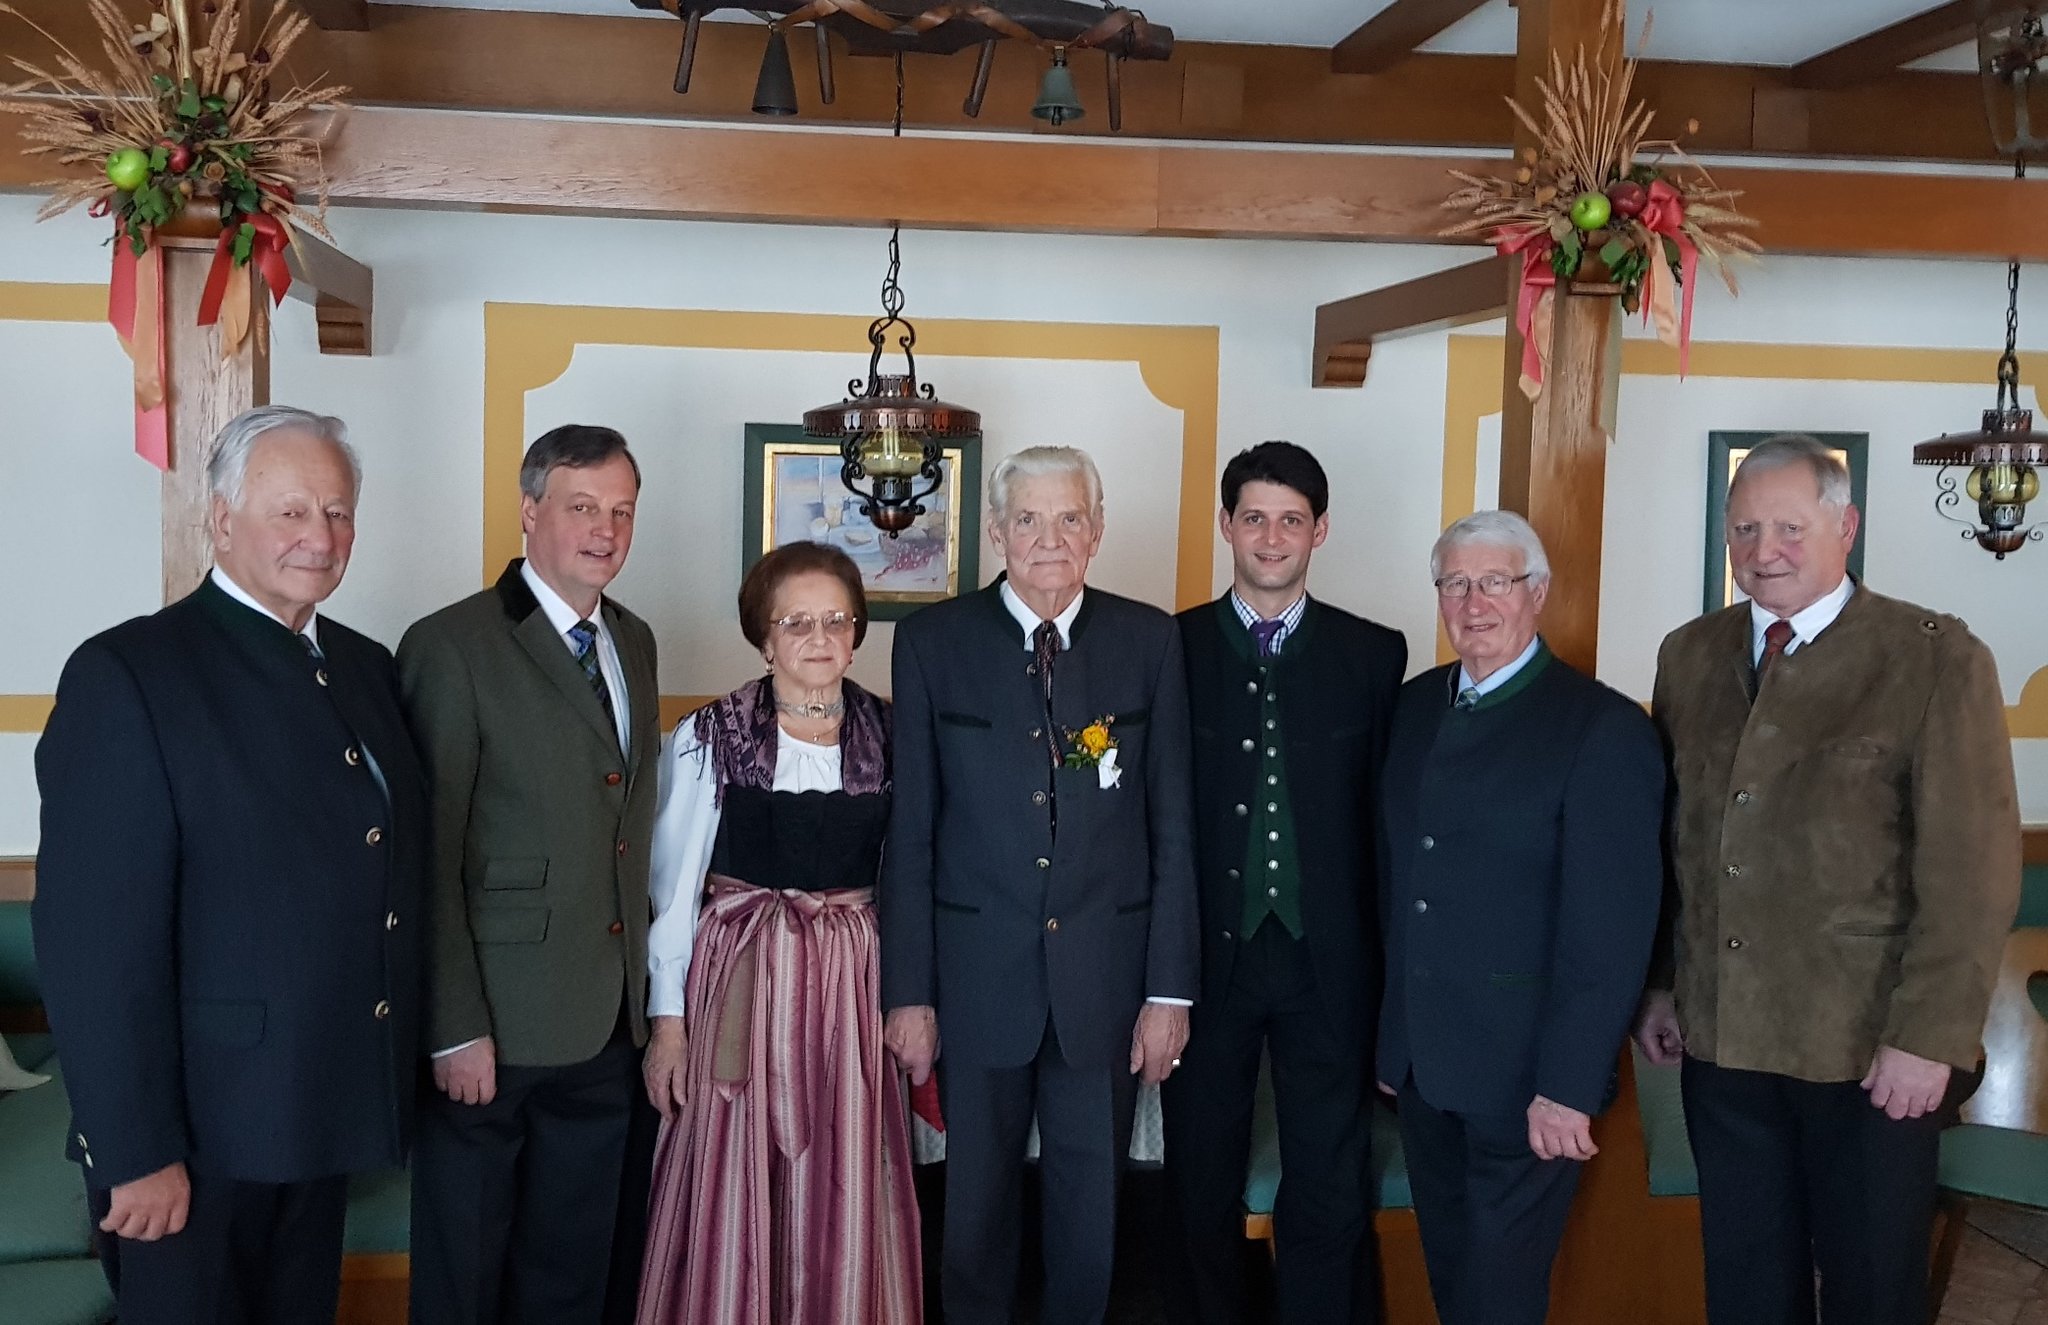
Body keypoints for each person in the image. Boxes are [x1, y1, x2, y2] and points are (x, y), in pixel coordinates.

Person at [33, 405, 427, 1325]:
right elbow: (94, 945)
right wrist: (134, 1149)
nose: (319, 536)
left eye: (336, 512)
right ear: (220, 519)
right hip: (193, 1140)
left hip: (318, 1110)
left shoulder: (362, 667)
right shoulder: (130, 673)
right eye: (290, 511)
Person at [1634, 434, 2020, 1325]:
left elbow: (1973, 870)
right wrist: (1660, 983)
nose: (1763, 550)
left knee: (1872, 1289)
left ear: (1846, 528)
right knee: (1745, 1288)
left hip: (1868, 1050)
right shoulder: (1689, 654)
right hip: (1723, 1041)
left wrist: (1929, 1036)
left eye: (1788, 528)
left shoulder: (1931, 657)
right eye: (1744, 529)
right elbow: (1673, 839)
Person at [881, 444, 1199, 1325]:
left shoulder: (1149, 640)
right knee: (974, 1214)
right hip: (975, 973)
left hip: (1106, 974)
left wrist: (1170, 991)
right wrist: (908, 992)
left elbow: (1172, 825)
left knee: (1090, 1214)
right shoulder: (933, 642)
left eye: (1069, 518)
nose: (1048, 538)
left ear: (1097, 531)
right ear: (996, 531)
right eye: (1027, 518)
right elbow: (912, 831)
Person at [400, 424, 661, 1325]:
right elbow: (425, 854)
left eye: (621, 510)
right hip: (491, 1030)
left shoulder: (634, 639)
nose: (605, 530)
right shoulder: (452, 645)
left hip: (608, 1019)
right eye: (582, 506)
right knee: (467, 1273)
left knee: (572, 1271)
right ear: (529, 510)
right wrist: (451, 1027)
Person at [1376, 509, 1663, 1325]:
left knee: (1500, 1295)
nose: (1474, 603)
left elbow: (1611, 932)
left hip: (1529, 1078)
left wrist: (1568, 1087)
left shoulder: (1602, 728)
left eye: (1495, 582)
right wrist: (1391, 1039)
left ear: (1537, 592)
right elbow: (1398, 882)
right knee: (1451, 1279)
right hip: (1422, 1067)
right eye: (1456, 583)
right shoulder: (1413, 707)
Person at [635, 541, 921, 1324]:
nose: (819, 637)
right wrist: (668, 1025)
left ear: (857, 630)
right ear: (764, 635)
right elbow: (673, 891)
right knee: (733, 1160)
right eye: (797, 622)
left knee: (845, 1159)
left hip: (849, 991)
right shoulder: (711, 735)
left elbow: (911, 875)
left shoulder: (893, 734)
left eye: (836, 619)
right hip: (741, 980)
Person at [1163, 441, 1405, 1324]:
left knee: (1329, 1182)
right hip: (1203, 960)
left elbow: (1386, 821)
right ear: (1226, 525)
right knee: (1199, 1179)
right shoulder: (1172, 644)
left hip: (1327, 959)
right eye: (1255, 517)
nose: (1272, 537)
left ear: (1320, 530)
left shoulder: (1373, 654)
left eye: (1291, 520)